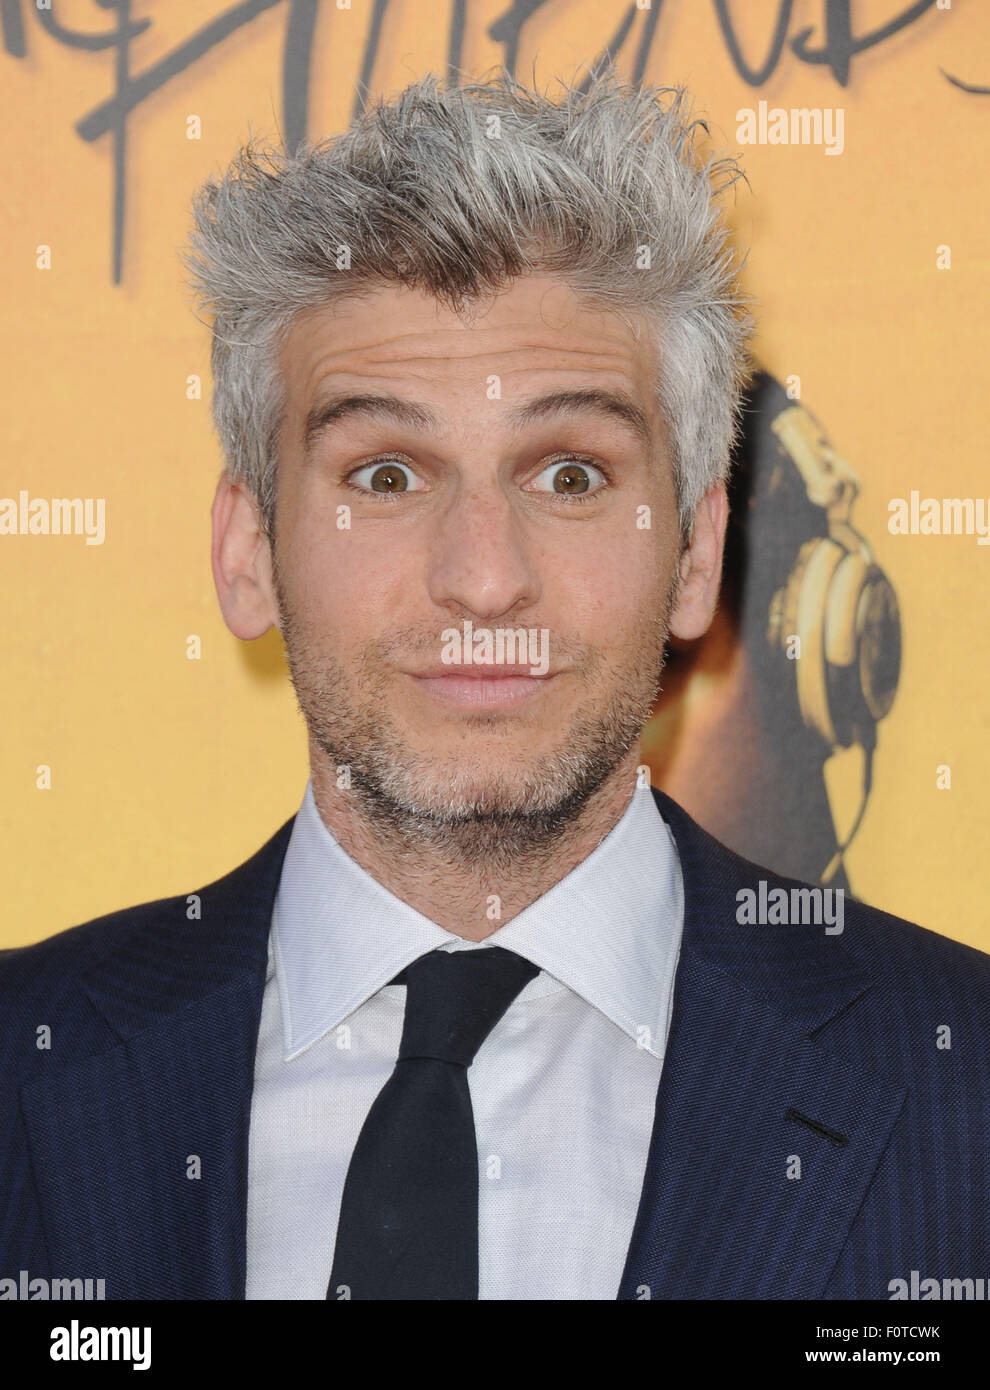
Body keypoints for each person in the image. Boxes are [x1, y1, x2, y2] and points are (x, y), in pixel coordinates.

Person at [1, 69, 986, 1303]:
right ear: (248, 553)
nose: (482, 580)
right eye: (385, 475)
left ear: (694, 553)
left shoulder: (966, 1086)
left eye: (569, 474)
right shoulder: (23, 1068)